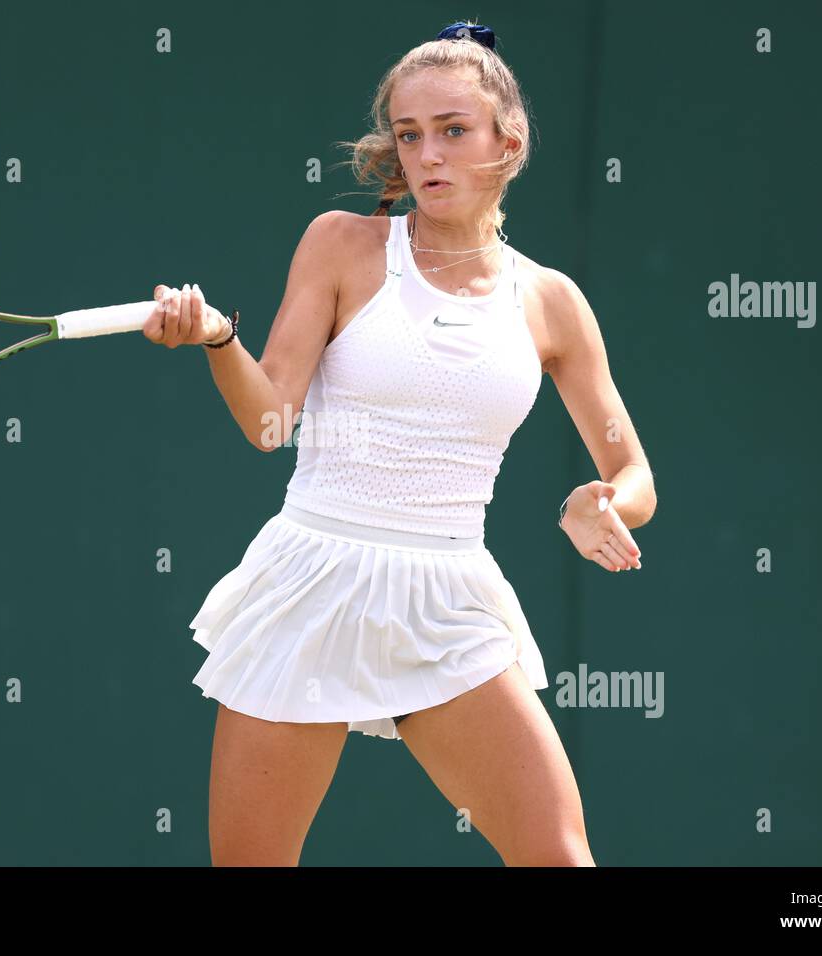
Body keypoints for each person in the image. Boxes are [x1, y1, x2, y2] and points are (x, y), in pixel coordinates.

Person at [142, 21, 656, 866]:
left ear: (508, 142)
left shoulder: (552, 302)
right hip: (310, 579)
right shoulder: (341, 245)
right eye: (410, 136)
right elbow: (271, 423)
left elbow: (631, 471)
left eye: (454, 130)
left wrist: (597, 501)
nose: (428, 155)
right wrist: (216, 341)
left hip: (449, 600)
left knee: (560, 859)